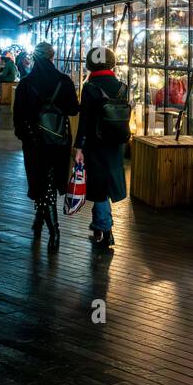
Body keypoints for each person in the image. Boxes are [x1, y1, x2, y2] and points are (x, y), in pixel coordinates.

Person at [14, 42, 79, 250]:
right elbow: (73, 110)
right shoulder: (64, 81)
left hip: (35, 141)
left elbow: (19, 114)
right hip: (59, 140)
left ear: (35, 58)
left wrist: (24, 134)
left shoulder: (26, 82)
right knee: (49, 182)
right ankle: (40, 222)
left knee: (42, 183)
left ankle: (54, 231)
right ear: (52, 57)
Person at [74, 47, 129, 250]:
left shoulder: (90, 87)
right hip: (116, 142)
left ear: (90, 64)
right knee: (108, 182)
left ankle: (105, 229)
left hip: (95, 143)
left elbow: (84, 121)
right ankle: (99, 224)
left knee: (99, 187)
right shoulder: (122, 87)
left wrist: (79, 147)